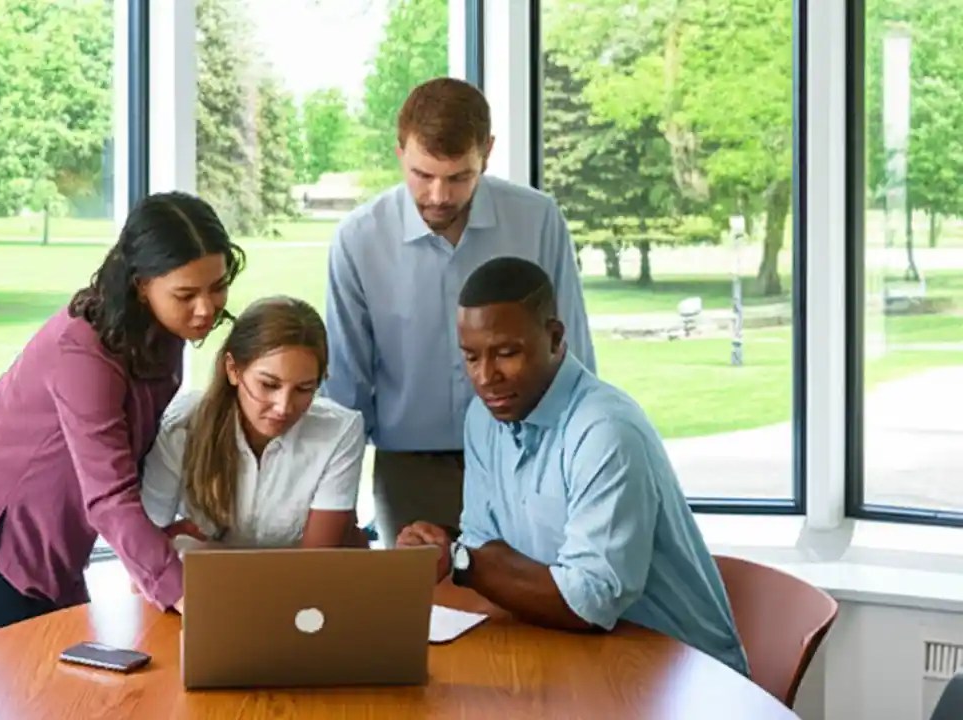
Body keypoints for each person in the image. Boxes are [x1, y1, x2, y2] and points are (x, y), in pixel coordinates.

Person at [398, 256, 749, 676]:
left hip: (686, 678)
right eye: (471, 357)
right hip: (578, 654)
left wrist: (462, 562)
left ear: (555, 337)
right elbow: (483, 545)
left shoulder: (606, 431)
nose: (486, 376)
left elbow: (589, 602)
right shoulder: (483, 418)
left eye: (506, 353)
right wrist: (458, 553)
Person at [0, 191, 245, 635]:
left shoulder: (161, 329)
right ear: (139, 284)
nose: (206, 309)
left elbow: (132, 451)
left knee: (75, 678)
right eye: (186, 294)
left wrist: (163, 537)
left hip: (56, 531)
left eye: (217, 286)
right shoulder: (83, 351)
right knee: (35, 689)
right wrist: (187, 593)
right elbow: (111, 498)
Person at [322, 76, 596, 546]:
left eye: (459, 177)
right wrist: (335, 512)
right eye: (422, 174)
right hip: (411, 471)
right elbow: (345, 390)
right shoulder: (358, 239)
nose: (438, 196)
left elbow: (573, 358)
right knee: (420, 611)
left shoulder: (538, 219)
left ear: (486, 153)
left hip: (525, 456)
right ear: (399, 152)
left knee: (525, 605)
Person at [140, 296, 367, 549]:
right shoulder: (181, 427)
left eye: (304, 388)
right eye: (269, 385)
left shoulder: (340, 431)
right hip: (204, 587)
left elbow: (313, 565)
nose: (284, 407)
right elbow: (146, 556)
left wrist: (200, 549)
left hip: (297, 588)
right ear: (233, 370)